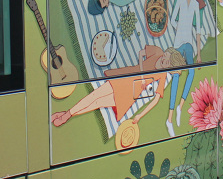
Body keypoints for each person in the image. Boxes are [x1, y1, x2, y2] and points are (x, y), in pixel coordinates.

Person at [51, 45, 183, 131]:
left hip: (130, 93)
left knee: (97, 102)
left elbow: (156, 100)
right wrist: (141, 73)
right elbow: (141, 52)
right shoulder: (157, 52)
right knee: (95, 95)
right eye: (167, 59)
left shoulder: (162, 76)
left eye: (169, 66)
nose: (165, 63)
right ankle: (67, 115)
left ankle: (67, 114)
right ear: (166, 54)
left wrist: (139, 116)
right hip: (125, 77)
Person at [166, 0, 205, 134]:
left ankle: (181, 107)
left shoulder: (196, 4)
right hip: (178, 42)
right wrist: (179, 32)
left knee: (191, 72)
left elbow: (198, 30)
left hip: (188, 42)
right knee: (176, 76)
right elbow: (173, 18)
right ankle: (170, 117)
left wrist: (199, 55)